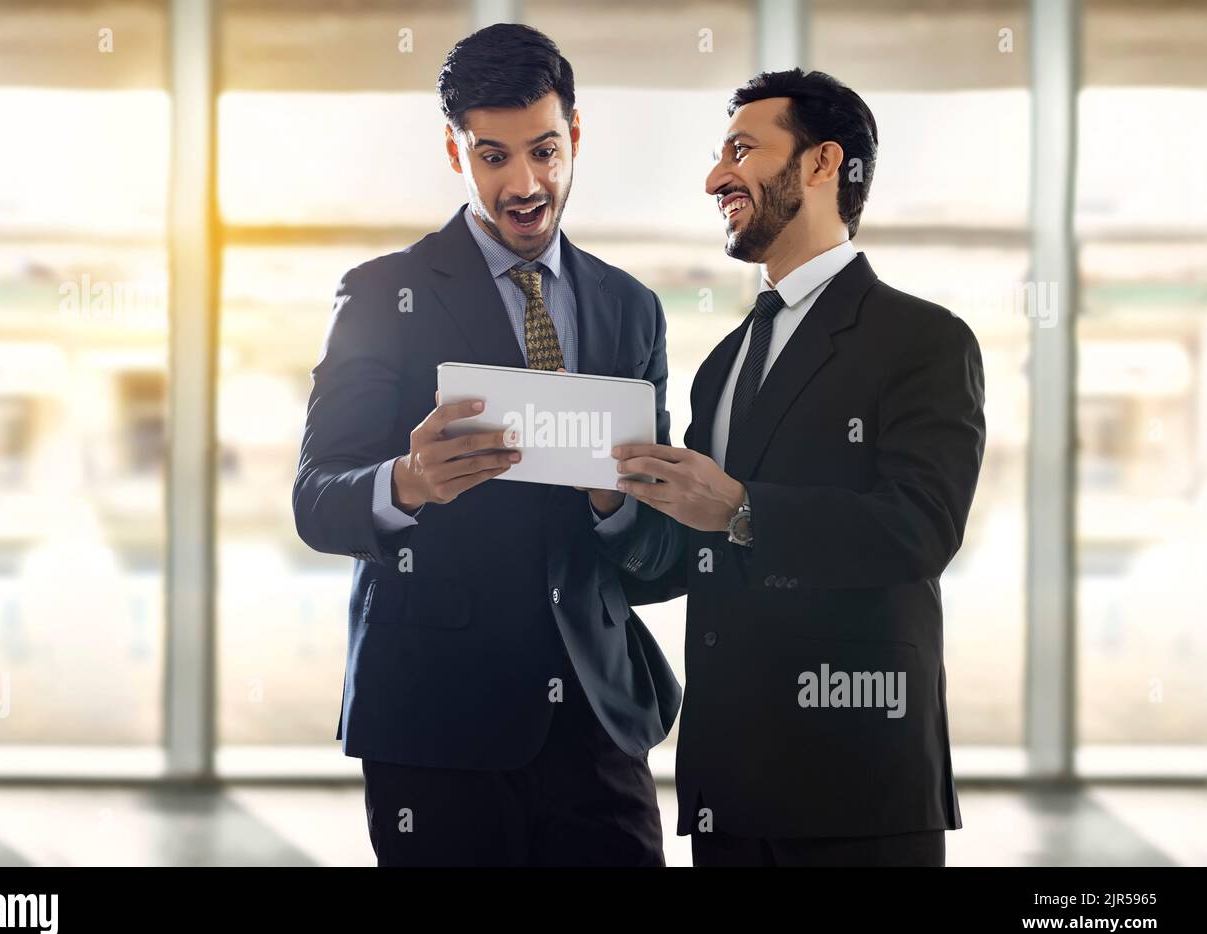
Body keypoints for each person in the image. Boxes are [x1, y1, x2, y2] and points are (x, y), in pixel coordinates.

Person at [292, 23, 679, 866]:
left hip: (596, 722)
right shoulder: (381, 294)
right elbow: (315, 499)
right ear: (454, 150)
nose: (525, 184)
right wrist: (406, 481)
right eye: (493, 156)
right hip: (438, 724)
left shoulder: (630, 309)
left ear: (575, 135)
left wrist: (616, 504)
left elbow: (658, 547)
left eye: (544, 150)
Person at [599, 68, 986, 866]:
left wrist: (744, 509)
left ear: (822, 163)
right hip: (728, 790)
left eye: (741, 150)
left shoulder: (925, 339)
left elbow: (921, 529)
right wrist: (615, 510)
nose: (715, 178)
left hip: (858, 782)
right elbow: (693, 553)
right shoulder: (723, 363)